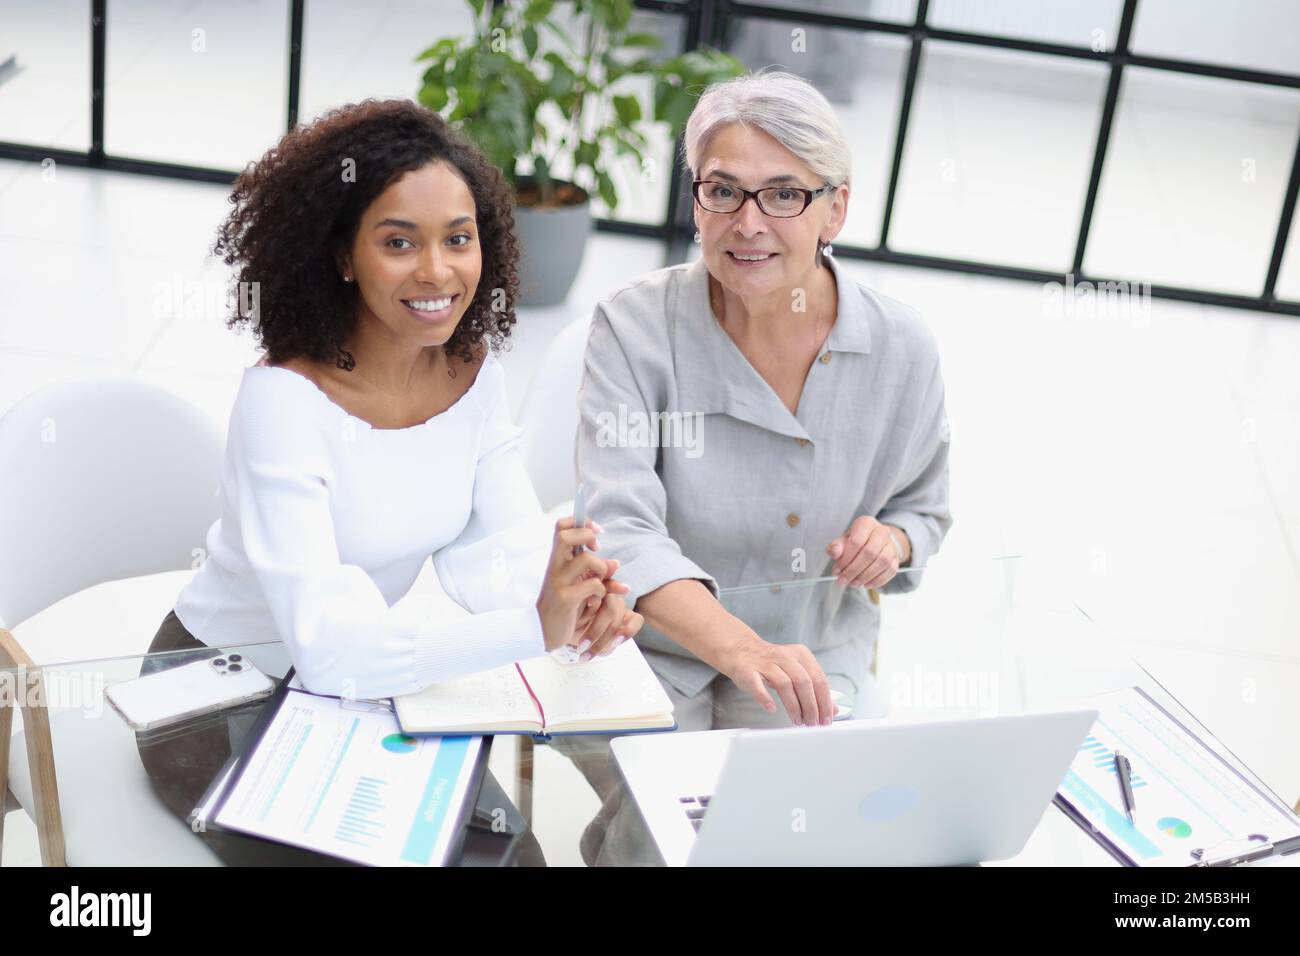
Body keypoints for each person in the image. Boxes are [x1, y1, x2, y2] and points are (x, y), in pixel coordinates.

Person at [134, 99, 641, 865]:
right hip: (217, 693)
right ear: (344, 255)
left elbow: (489, 558)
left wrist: (573, 593)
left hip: (353, 691)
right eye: (399, 242)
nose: (437, 271)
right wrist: (535, 627)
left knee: (512, 858)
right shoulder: (284, 402)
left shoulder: (476, 378)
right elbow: (334, 646)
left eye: (458, 240)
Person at [552, 70, 953, 865]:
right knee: (672, 820)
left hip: (812, 653)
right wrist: (740, 648)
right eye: (723, 191)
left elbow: (926, 510)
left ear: (835, 207)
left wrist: (893, 543)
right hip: (648, 649)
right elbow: (622, 532)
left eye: (783, 195)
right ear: (695, 201)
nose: (748, 223)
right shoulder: (633, 328)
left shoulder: (903, 347)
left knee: (787, 828)